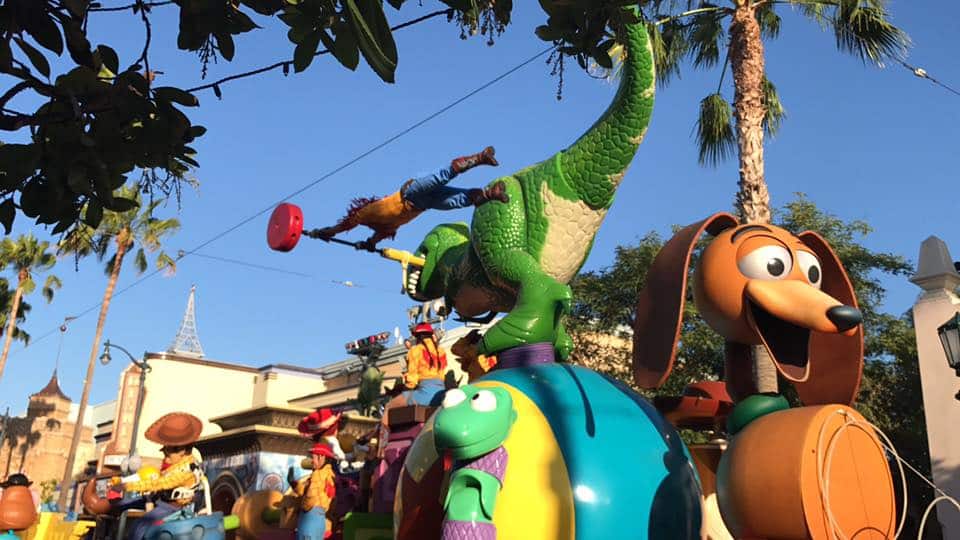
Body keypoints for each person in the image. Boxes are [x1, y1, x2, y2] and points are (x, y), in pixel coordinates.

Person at [316, 147, 506, 250]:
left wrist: (330, 231)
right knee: (458, 200)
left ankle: (480, 158)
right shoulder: (388, 227)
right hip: (424, 204)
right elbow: (377, 237)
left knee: (441, 177)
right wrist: (369, 244)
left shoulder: (367, 213)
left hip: (410, 192)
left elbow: (349, 223)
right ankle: (491, 194)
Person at [114, 412, 204, 540]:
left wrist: (126, 486)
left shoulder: (186, 469)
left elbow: (160, 483)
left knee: (139, 527)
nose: (165, 457)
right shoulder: (176, 465)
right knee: (123, 505)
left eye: (168, 452)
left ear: (182, 450)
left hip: (172, 508)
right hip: (161, 501)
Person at [288, 442, 337, 540]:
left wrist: (304, 508)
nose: (311, 461)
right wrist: (294, 484)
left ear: (321, 457)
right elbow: (305, 490)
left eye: (313, 457)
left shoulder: (317, 475)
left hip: (310, 518)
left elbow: (311, 496)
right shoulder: (330, 475)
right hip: (320, 520)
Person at [401, 323, 448, 406]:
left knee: (391, 405)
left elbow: (412, 378)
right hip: (442, 391)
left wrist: (406, 388)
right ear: (431, 334)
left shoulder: (415, 350)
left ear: (418, 336)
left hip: (425, 391)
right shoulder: (441, 351)